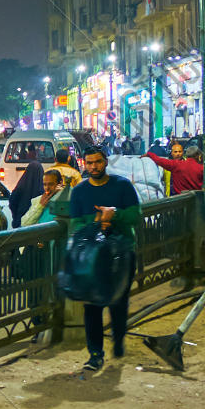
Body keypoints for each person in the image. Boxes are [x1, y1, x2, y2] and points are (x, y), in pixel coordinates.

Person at [68, 146, 142, 371]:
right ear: (84, 164)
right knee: (92, 305)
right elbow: (75, 225)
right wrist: (98, 222)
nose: (93, 167)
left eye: (97, 162)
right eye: (89, 163)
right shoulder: (79, 192)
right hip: (93, 257)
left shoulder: (122, 186)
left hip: (122, 253)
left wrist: (115, 215)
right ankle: (95, 354)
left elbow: (135, 217)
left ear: (106, 162)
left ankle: (118, 340)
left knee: (119, 301)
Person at [8, 161, 45, 227]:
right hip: (36, 225)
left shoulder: (20, 187)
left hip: (19, 222)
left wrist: (16, 215)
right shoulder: (42, 190)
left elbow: (12, 202)